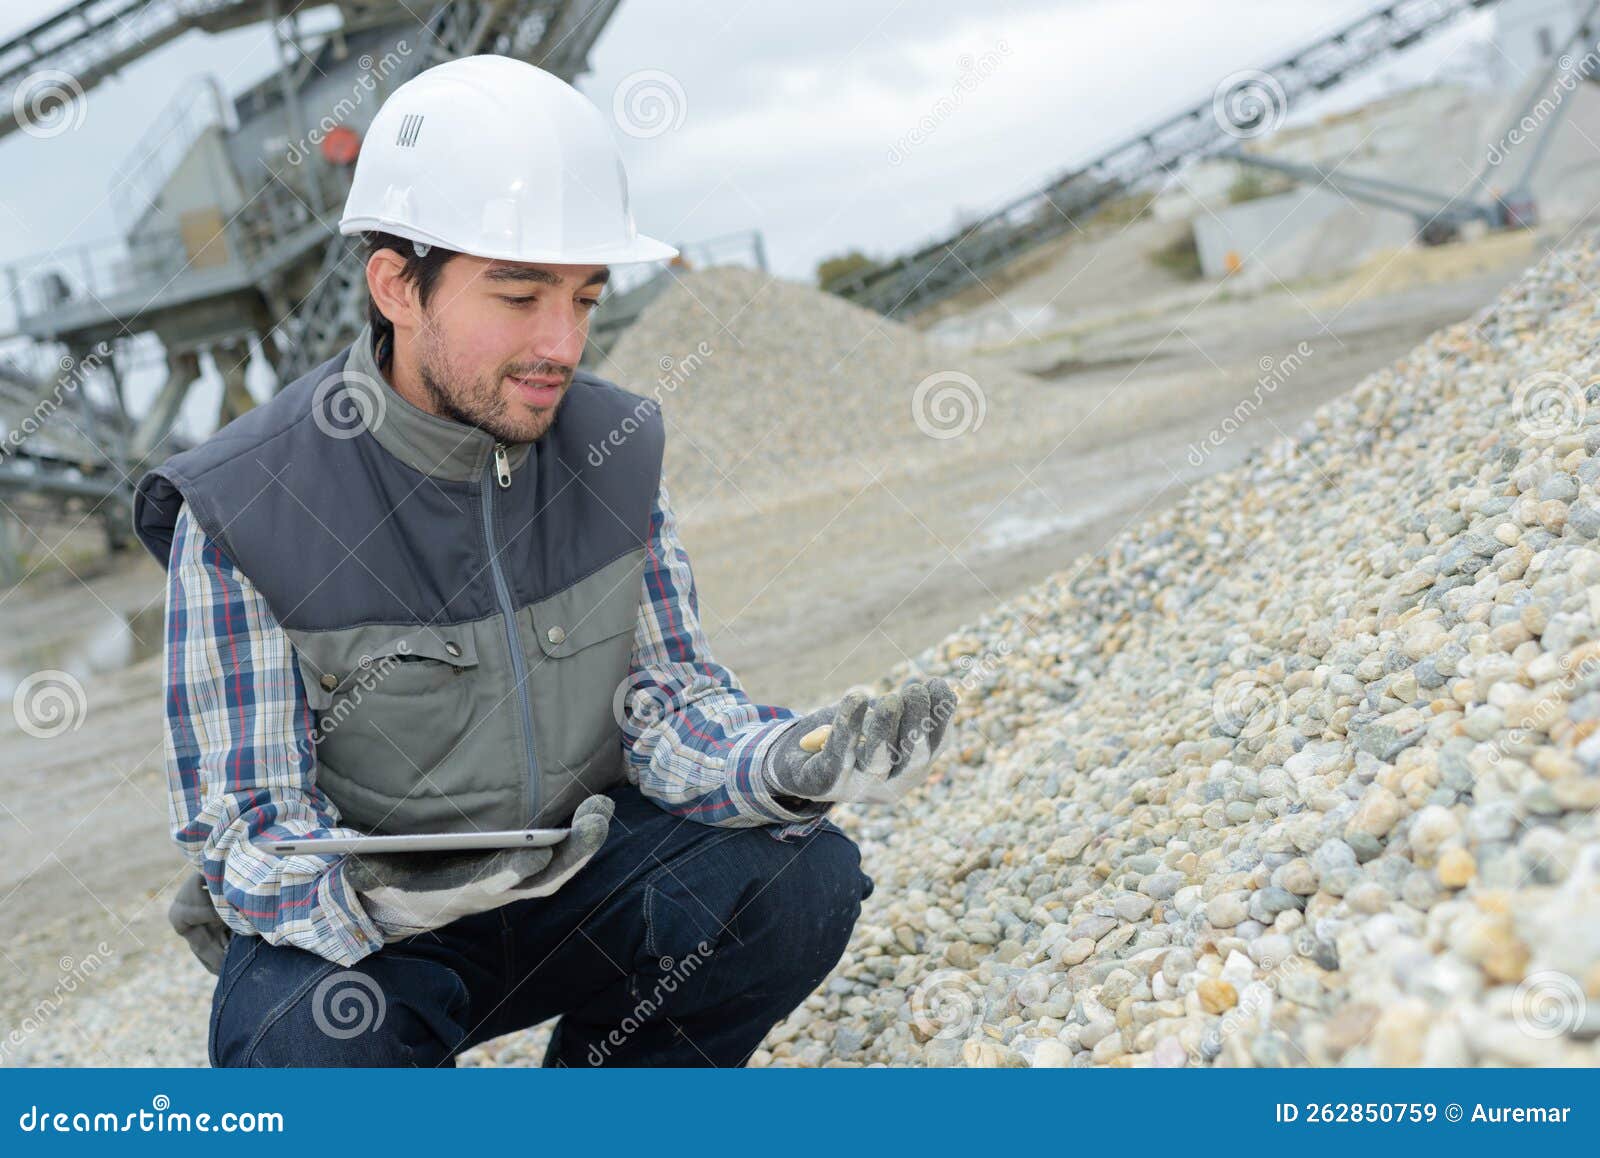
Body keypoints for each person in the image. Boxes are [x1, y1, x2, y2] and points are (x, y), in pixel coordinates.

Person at [135, 54, 957, 1068]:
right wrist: (400, 903)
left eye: (585, 297)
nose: (561, 345)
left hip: (583, 886)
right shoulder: (245, 509)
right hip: (373, 946)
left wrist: (786, 764)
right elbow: (250, 830)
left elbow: (667, 704)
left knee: (801, 879)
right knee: (303, 1045)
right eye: (519, 297)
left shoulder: (612, 452)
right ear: (396, 283)